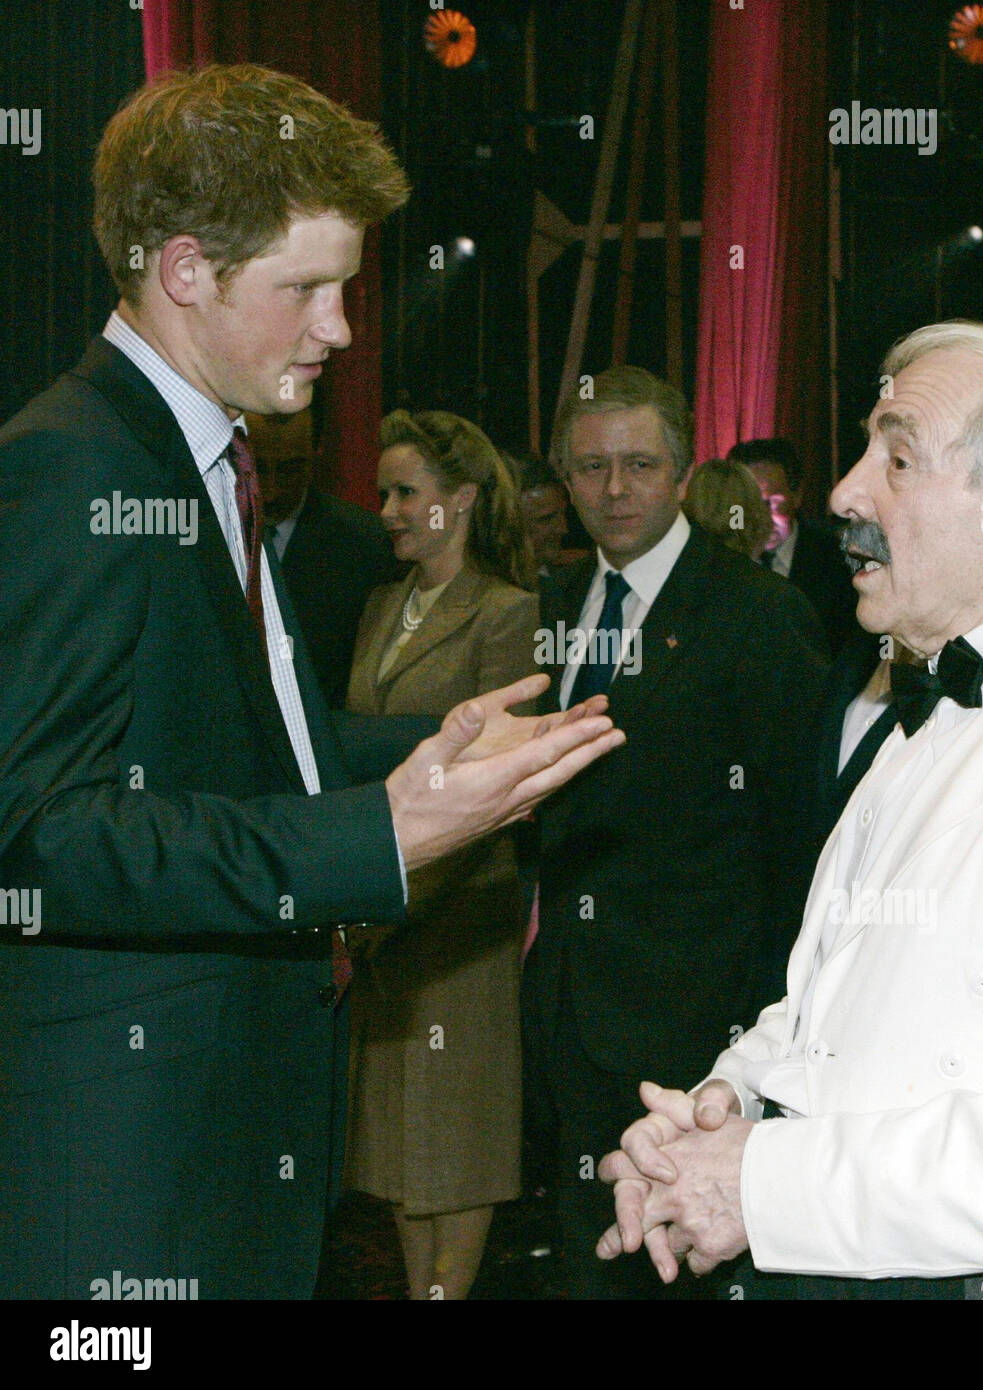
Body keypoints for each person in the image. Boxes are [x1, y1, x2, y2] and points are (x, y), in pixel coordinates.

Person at [0, 63, 622, 1301]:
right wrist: (374, 835)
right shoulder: (71, 468)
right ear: (184, 270)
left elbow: (230, 745)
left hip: (223, 1115)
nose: (340, 328)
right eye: (307, 289)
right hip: (127, 1149)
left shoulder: (201, 455)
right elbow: (36, 831)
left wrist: (411, 751)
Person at [598, 322, 983, 1298]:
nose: (842, 494)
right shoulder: (915, 717)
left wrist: (761, 1180)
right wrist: (720, 1108)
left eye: (897, 456)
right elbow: (828, 1003)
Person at [523, 366, 828, 1298]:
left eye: (638, 465)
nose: (613, 491)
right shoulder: (552, 604)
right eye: (590, 468)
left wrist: (768, 1030)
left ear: (683, 469)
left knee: (684, 1272)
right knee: (590, 1258)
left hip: (701, 1023)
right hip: (571, 1009)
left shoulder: (758, 614)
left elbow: (797, 842)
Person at [344, 409, 538, 1299]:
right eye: (383, 491)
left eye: (404, 492)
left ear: (458, 502)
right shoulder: (382, 604)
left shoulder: (508, 615)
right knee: (397, 1149)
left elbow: (500, 790)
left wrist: (398, 895)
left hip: (460, 916)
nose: (384, 509)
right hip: (385, 914)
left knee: (456, 1143)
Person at [247, 407, 400, 707]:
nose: (272, 491)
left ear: (318, 453)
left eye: (290, 469)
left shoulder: (368, 546)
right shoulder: (204, 535)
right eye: (259, 469)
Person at [728, 436, 857, 652]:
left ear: (797, 495)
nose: (757, 518)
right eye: (745, 505)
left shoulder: (838, 562)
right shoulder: (721, 562)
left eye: (771, 503)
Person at [517, 454, 574, 576]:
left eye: (562, 514)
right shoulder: (480, 590)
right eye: (546, 519)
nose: (563, 529)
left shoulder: (571, 584)